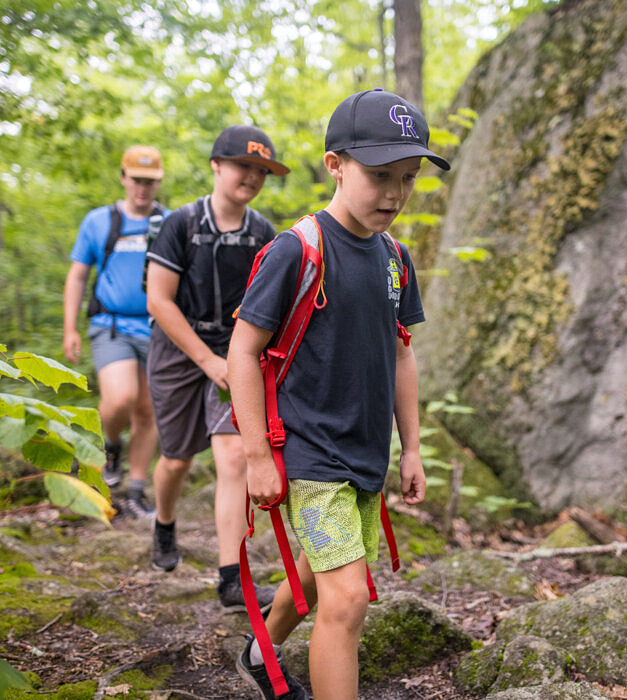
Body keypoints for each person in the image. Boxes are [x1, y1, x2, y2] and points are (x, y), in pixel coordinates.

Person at [226, 89, 441, 700]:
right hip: (309, 453)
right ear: (336, 164)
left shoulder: (396, 259)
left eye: (408, 178)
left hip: (366, 454)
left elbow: (402, 353)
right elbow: (243, 350)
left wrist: (413, 449)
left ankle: (256, 653)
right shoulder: (299, 249)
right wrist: (258, 456)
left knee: (321, 581)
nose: (395, 195)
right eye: (379, 176)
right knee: (347, 598)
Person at [144, 125, 288, 612]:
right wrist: (204, 359)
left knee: (234, 458)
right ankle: (164, 522)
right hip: (178, 351)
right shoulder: (179, 225)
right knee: (178, 459)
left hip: (236, 353)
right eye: (243, 165)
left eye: (261, 170)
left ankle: (232, 578)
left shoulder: (263, 233)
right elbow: (158, 301)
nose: (252, 176)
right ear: (216, 166)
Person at [62, 145, 167, 520]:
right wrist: (70, 328)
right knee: (121, 398)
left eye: (150, 181)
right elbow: (77, 275)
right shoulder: (98, 221)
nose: (143, 187)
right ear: (124, 178)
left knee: (148, 410)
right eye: (137, 180)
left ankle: (136, 492)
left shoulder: (169, 222)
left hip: (158, 328)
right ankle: (109, 446)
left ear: (159, 182)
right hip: (111, 325)